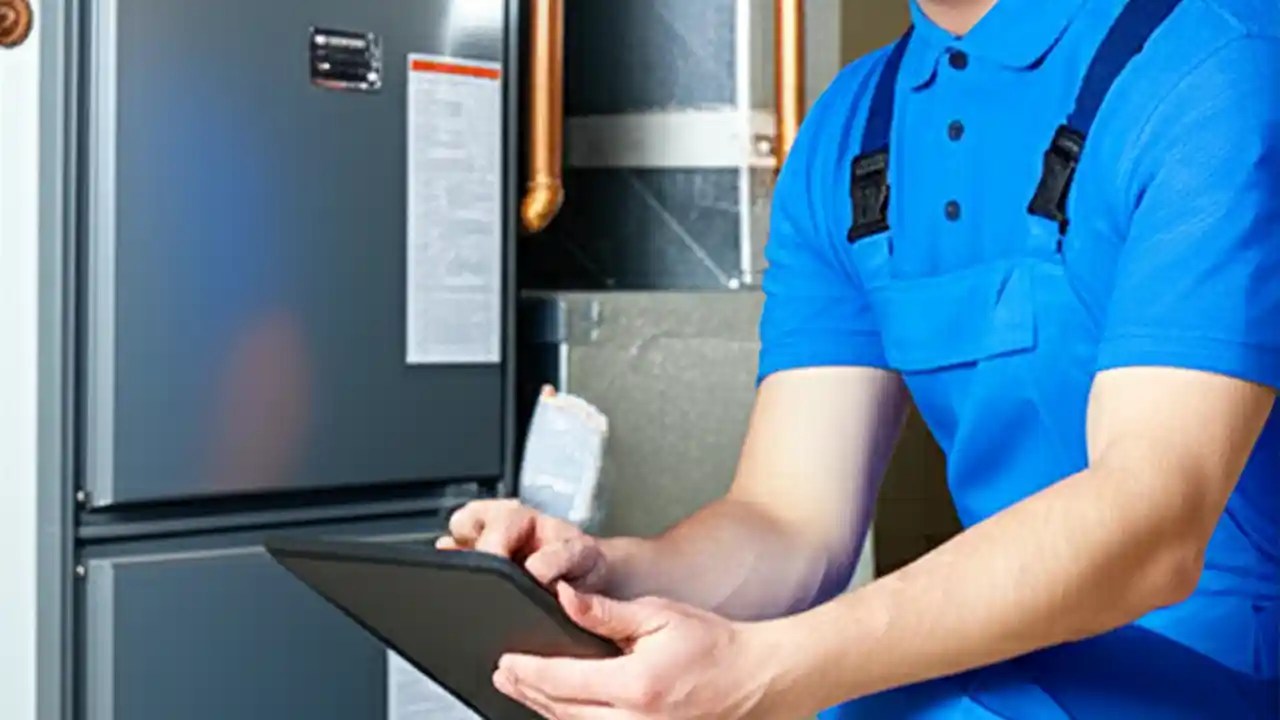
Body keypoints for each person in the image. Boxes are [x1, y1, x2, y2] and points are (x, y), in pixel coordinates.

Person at [438, 0, 1280, 716]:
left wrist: (765, 672)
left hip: (1221, 674)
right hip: (1010, 665)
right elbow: (790, 521)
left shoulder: (1215, 66)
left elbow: (1153, 525)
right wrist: (605, 579)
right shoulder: (856, 125)